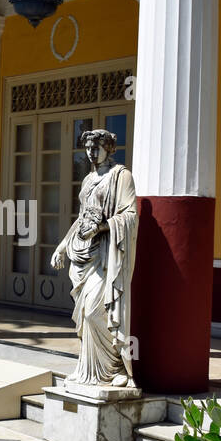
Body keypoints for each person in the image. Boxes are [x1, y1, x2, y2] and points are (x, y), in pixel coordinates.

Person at [50, 129, 138, 389]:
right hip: (83, 254)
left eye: (96, 147)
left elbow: (130, 215)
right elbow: (81, 217)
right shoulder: (88, 179)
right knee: (84, 313)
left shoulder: (121, 176)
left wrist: (101, 228)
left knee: (96, 310)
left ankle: (115, 368)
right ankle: (89, 370)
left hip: (105, 255)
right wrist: (62, 246)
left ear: (109, 148)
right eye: (87, 147)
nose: (91, 152)